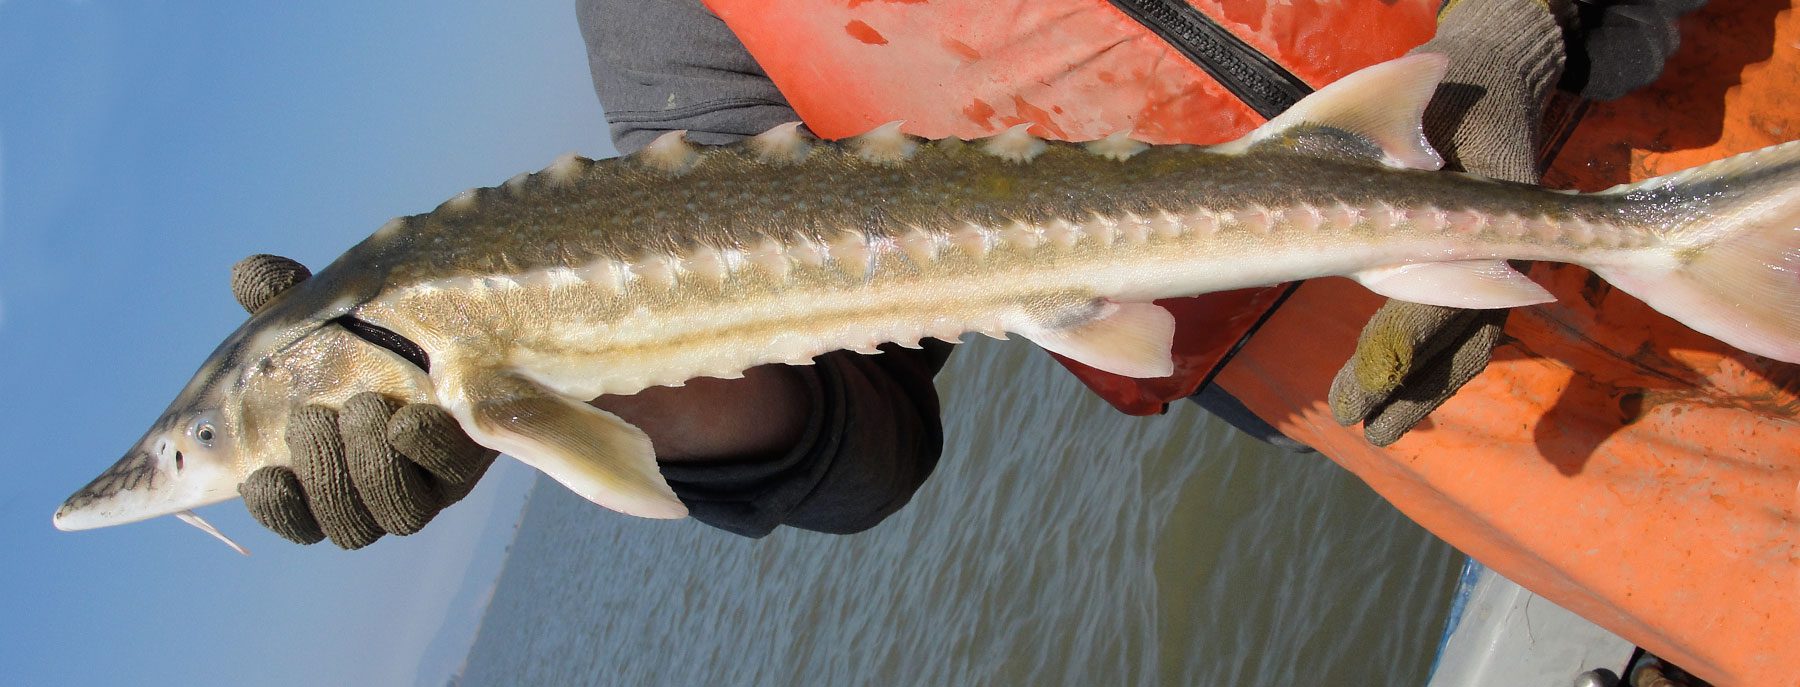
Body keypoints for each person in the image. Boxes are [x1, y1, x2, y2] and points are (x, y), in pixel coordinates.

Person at [235, 0, 1701, 548]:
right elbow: (864, 439)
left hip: (1672, 70)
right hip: (1427, 398)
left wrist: (1518, 33)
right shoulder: (659, 21)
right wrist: (552, 384)